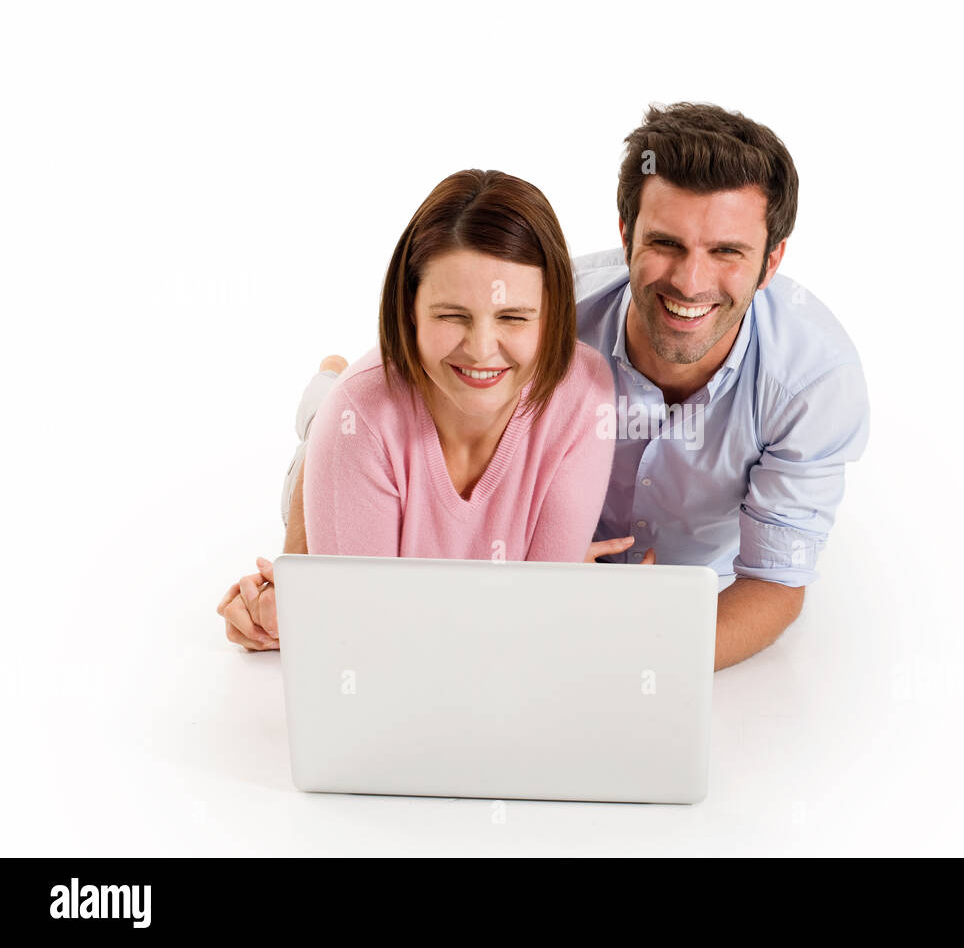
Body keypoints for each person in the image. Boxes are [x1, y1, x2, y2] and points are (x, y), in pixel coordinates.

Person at [222, 102, 870, 672]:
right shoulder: (539, 315)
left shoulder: (812, 383)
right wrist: (300, 580)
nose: (691, 281)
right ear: (626, 237)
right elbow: (381, 417)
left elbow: (775, 583)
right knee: (331, 421)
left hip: (552, 564)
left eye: (726, 251)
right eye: (666, 242)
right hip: (453, 516)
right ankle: (322, 390)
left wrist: (629, 649)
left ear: (772, 259)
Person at [217, 169, 615, 649]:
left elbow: (538, 623)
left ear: (550, 317)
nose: (482, 349)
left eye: (512, 317)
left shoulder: (587, 394)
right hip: (340, 452)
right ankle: (325, 394)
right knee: (331, 415)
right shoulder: (358, 419)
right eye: (451, 316)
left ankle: (330, 382)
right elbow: (367, 636)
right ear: (409, 308)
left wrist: (564, 596)